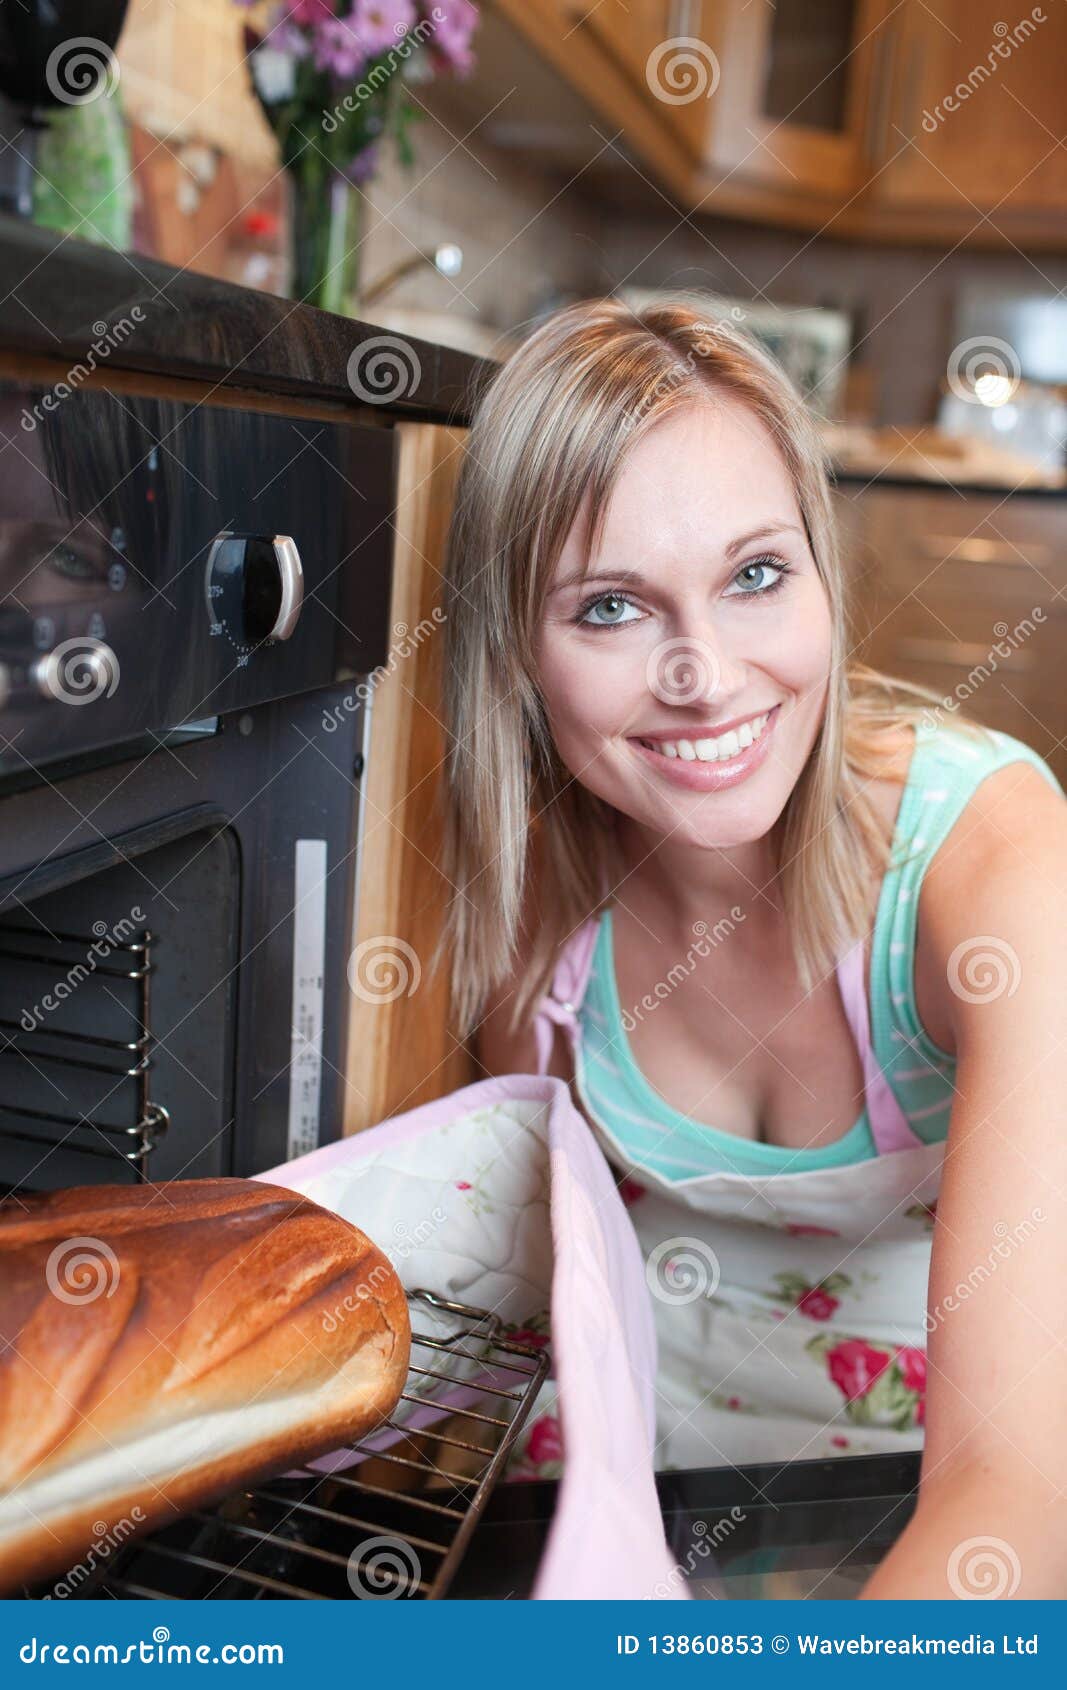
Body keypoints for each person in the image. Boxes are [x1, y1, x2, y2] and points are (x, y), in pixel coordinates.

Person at [433, 296, 1067, 1599]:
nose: (706, 675)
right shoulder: (532, 913)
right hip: (649, 1423)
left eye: (756, 575)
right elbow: (542, 1290)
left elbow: (1014, 1485)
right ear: (517, 658)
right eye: (611, 607)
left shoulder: (997, 866)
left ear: (825, 577)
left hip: (943, 1431)